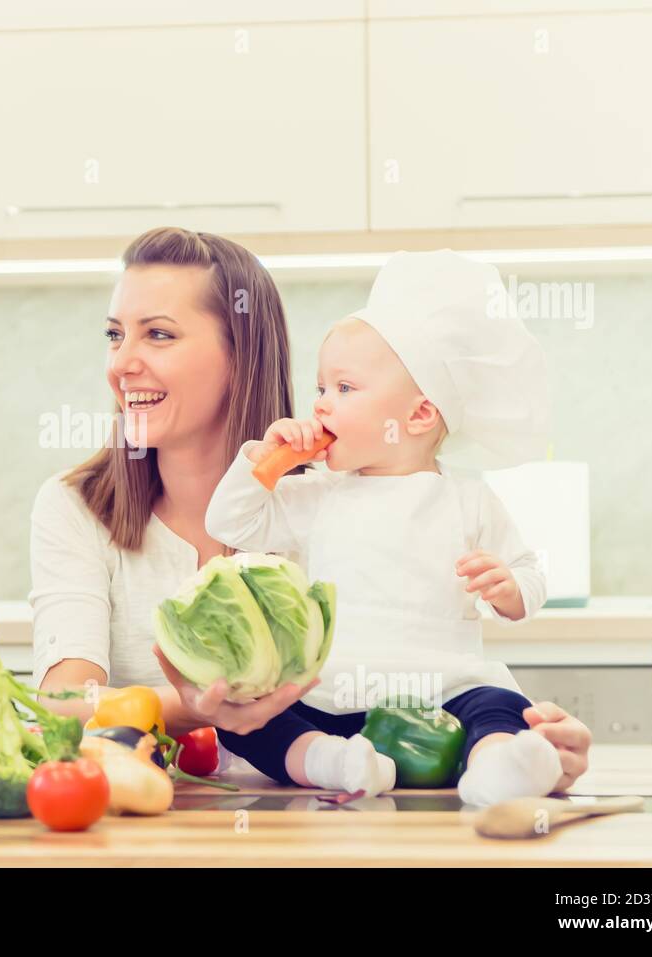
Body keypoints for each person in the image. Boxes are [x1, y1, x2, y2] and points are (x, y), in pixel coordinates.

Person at [29, 229, 593, 798]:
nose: (122, 363)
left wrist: (527, 747)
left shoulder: (331, 494)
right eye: (114, 335)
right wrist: (194, 710)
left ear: (240, 355)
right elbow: (60, 707)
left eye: (158, 334)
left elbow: (418, 689)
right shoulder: (76, 507)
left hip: (320, 827)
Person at [205, 249, 577, 805]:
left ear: (419, 415)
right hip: (333, 698)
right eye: (321, 388)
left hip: (443, 692)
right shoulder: (316, 494)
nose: (322, 405)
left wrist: (511, 588)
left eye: (345, 389)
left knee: (498, 706)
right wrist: (265, 458)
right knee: (244, 722)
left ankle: (495, 771)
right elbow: (231, 520)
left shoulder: (467, 498)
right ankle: (334, 763)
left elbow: (530, 573)